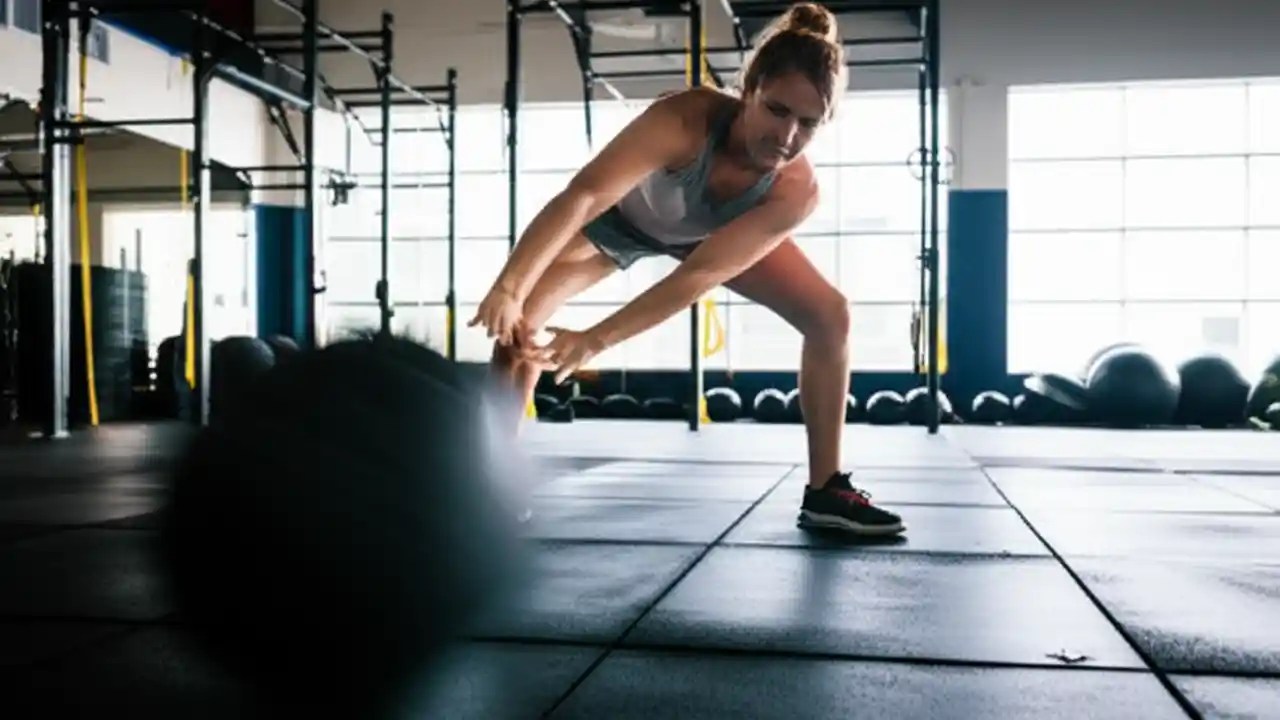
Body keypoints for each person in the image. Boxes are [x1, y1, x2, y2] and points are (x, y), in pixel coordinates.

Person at [469, 2, 904, 536]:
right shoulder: (686, 118)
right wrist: (509, 286)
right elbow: (584, 196)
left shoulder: (796, 189)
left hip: (709, 239)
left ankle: (826, 490)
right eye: (776, 110)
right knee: (521, 327)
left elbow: (698, 275)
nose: (787, 137)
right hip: (618, 224)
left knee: (831, 315)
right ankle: (490, 479)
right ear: (748, 90)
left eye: (809, 123)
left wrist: (595, 340)